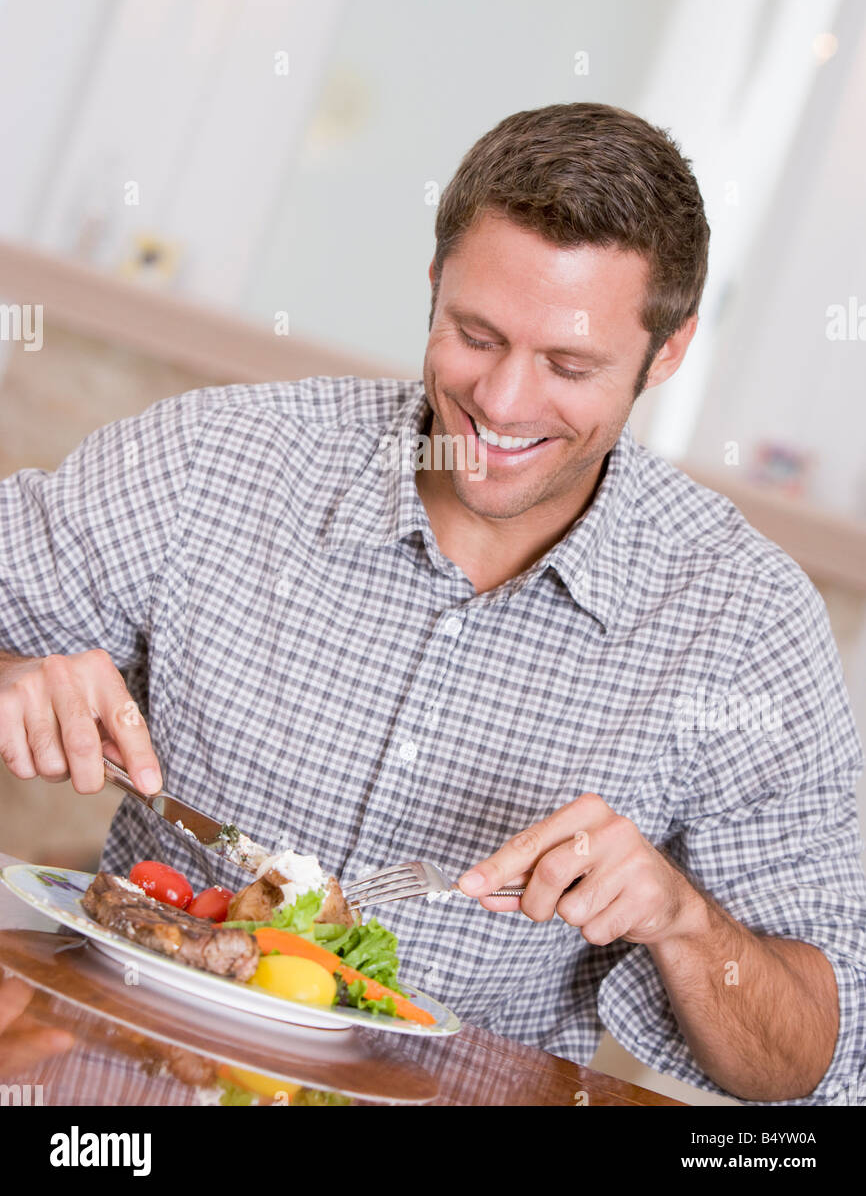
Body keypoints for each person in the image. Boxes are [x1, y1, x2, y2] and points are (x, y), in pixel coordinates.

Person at [1, 103, 864, 1105]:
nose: (500, 401)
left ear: (665, 352)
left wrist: (680, 919)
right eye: (475, 334)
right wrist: (13, 680)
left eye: (568, 365)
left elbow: (815, 1061)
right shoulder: (212, 462)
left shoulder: (743, 624)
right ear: (431, 287)